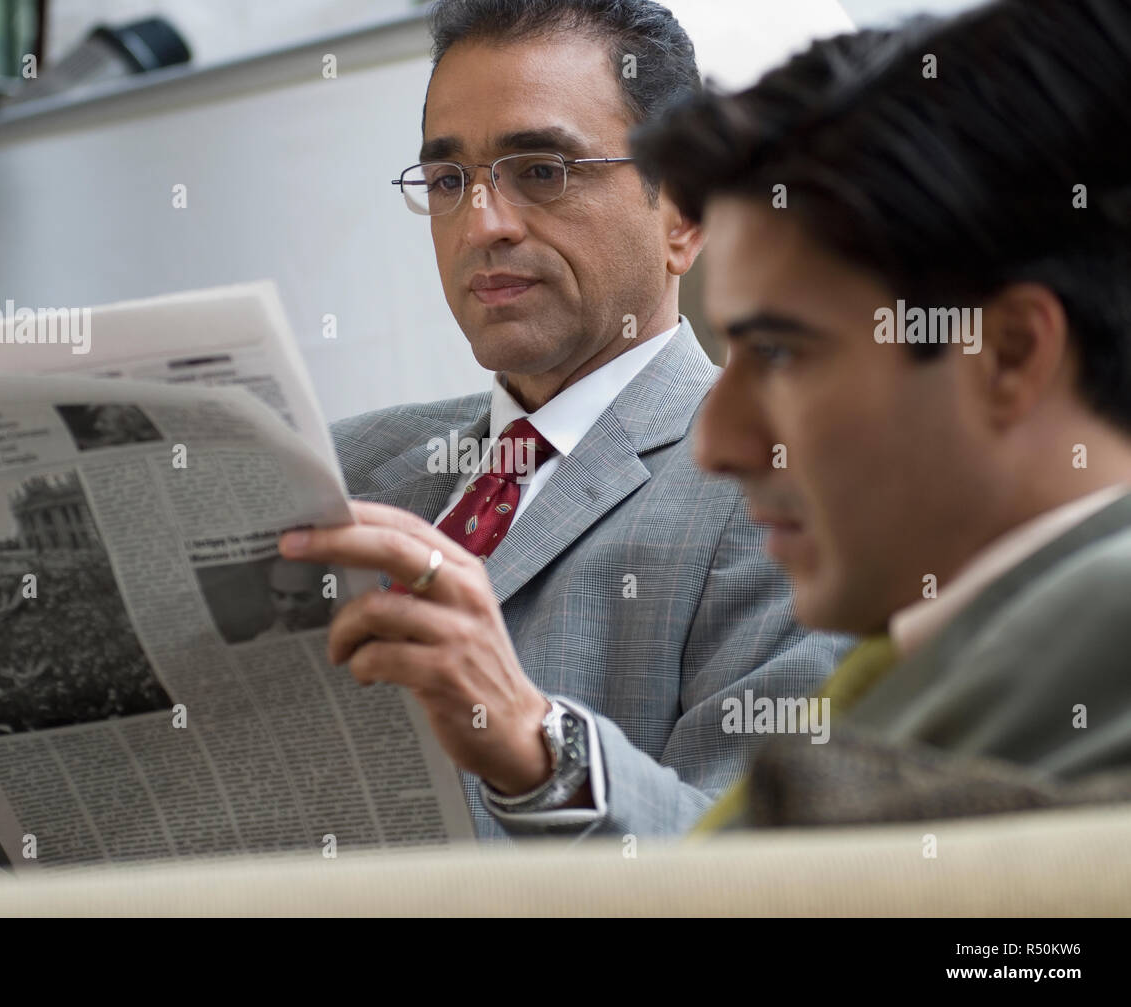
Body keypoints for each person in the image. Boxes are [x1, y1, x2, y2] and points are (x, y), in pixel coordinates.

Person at [286, 0, 849, 840]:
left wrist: (540, 749)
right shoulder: (343, 466)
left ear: (683, 216)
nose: (483, 225)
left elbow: (760, 864)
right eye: (449, 181)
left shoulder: (783, 489)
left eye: (542, 171)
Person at [624, 0, 1131, 828]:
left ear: (1008, 353)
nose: (715, 444)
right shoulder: (943, 644)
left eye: (780, 352)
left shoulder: (1094, 641)